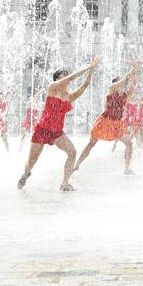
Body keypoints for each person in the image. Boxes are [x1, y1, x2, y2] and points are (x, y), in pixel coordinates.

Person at [17, 57, 100, 191]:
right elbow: (71, 78)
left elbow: (84, 86)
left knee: (72, 152)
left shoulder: (69, 97)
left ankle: (64, 184)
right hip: (42, 129)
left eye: (66, 76)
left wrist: (91, 70)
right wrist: (89, 66)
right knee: (32, 161)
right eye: (63, 77)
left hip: (57, 132)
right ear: (56, 79)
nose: (66, 79)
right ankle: (26, 174)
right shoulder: (52, 88)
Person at [74, 60, 140, 175]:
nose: (122, 85)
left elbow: (133, 86)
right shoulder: (111, 90)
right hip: (105, 121)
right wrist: (130, 71)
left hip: (117, 124)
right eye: (119, 83)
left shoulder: (124, 96)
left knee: (129, 143)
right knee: (91, 143)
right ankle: (77, 164)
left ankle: (126, 168)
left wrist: (135, 72)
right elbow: (124, 81)